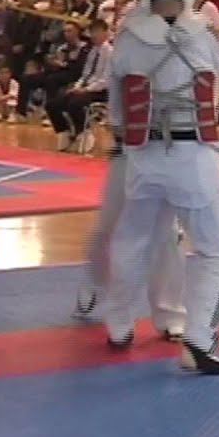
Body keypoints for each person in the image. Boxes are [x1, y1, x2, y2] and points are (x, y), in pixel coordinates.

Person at [104, 0, 219, 375]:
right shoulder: (203, 38)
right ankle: (199, 338)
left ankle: (120, 323)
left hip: (142, 156)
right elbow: (215, 90)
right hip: (193, 158)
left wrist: (129, 140)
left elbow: (115, 107)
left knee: (135, 238)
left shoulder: (126, 40)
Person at [72, 137, 188, 342]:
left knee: (169, 235)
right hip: (129, 153)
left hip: (173, 155)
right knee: (109, 227)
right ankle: (96, 282)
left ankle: (169, 314)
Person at [46, 19, 113, 151]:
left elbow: (106, 80)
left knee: (75, 104)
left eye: (97, 32)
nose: (94, 35)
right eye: (92, 32)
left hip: (101, 90)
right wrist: (77, 87)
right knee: (52, 104)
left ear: (105, 33)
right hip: (86, 87)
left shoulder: (111, 52)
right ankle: (64, 132)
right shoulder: (91, 51)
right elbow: (85, 74)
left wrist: (86, 89)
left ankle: (84, 133)